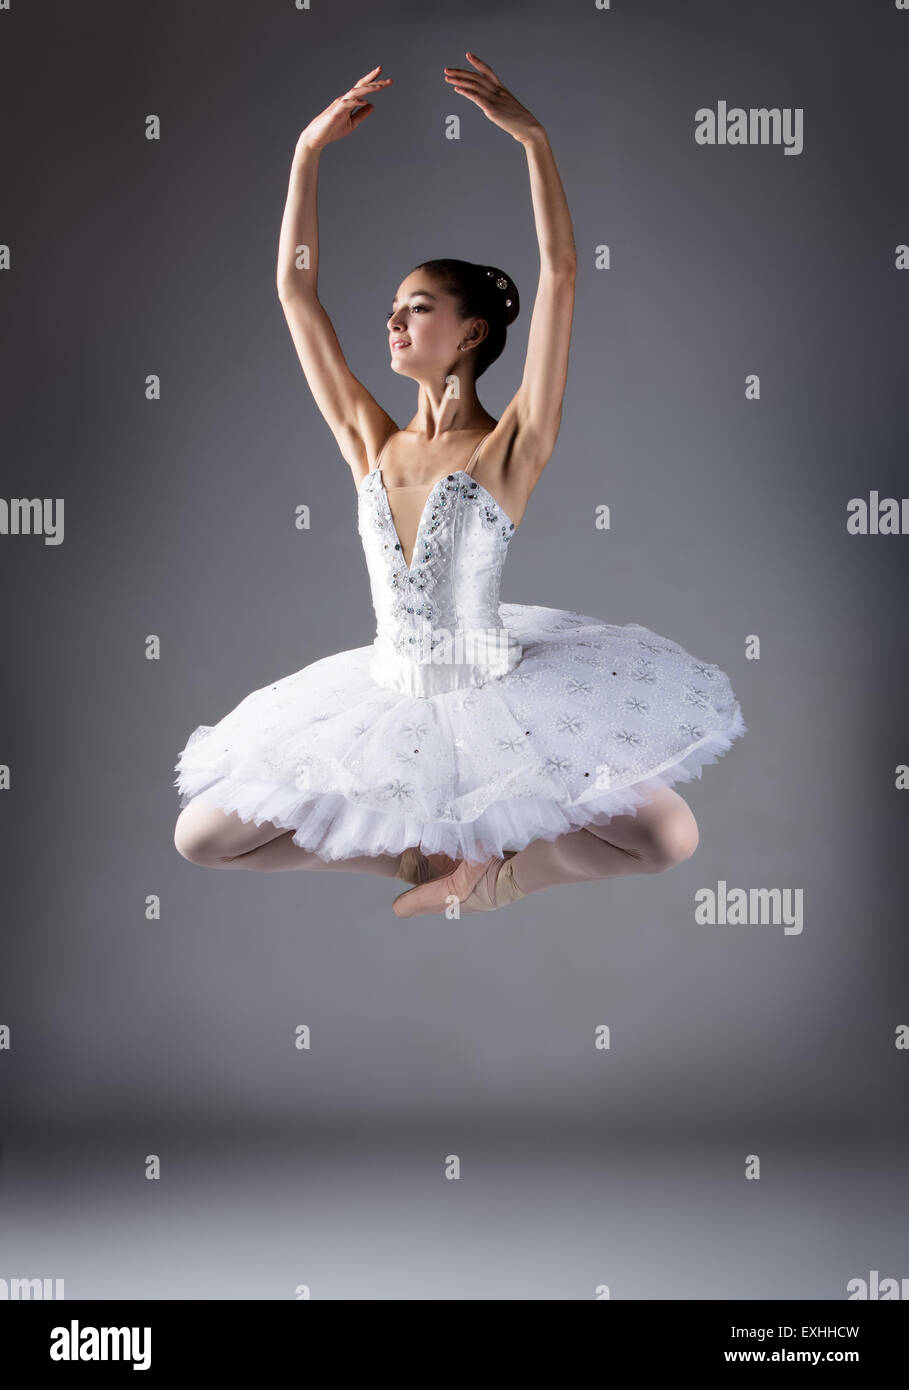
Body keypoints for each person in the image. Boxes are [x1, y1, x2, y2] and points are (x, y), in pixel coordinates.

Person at [173, 54, 746, 918]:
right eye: (394, 308)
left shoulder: (512, 446)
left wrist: (533, 138)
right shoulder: (369, 439)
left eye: (417, 306)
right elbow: (295, 290)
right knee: (205, 837)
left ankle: (504, 877)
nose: (394, 319)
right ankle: (412, 864)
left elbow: (561, 276)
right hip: (384, 694)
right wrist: (305, 150)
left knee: (666, 837)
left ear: (471, 330)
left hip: (496, 695)